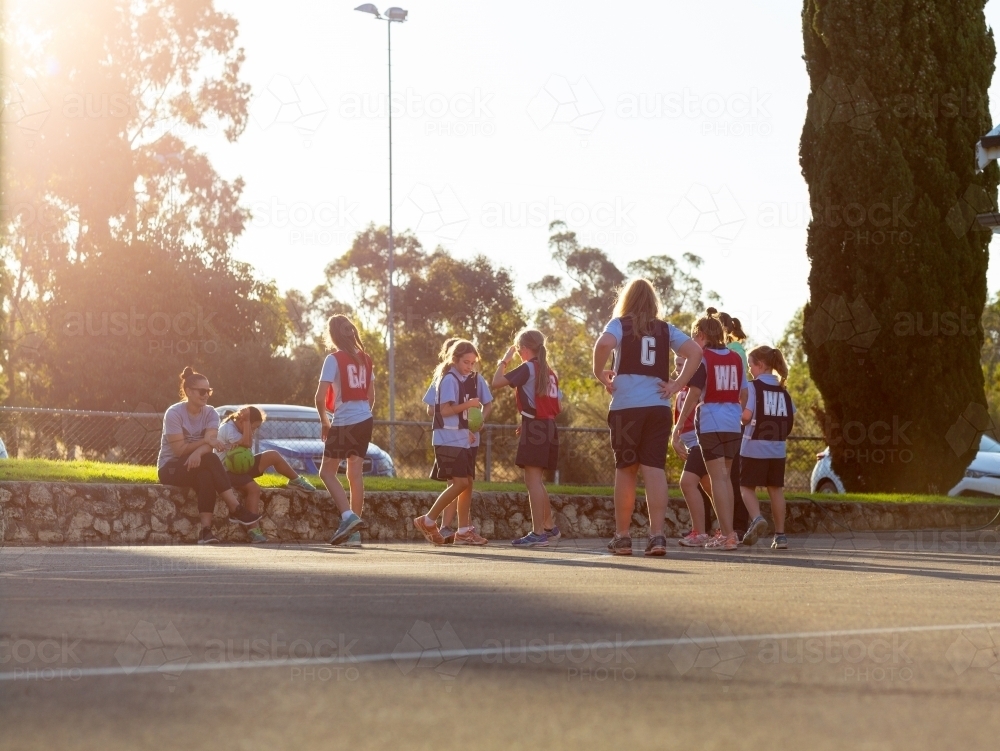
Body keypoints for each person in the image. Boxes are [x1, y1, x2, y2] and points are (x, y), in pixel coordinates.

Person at [592, 278, 703, 556]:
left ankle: (623, 536)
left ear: (626, 300)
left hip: (626, 408)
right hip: (657, 407)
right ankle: (657, 536)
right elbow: (695, 352)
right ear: (654, 302)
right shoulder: (665, 329)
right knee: (654, 470)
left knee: (626, 470)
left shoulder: (619, 324)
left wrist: (599, 373)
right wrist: (677, 385)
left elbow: (603, 344)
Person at [157, 366, 262, 545]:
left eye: (209, 391)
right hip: (171, 468)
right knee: (211, 459)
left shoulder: (211, 412)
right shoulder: (174, 413)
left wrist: (199, 451)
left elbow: (210, 441)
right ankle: (235, 508)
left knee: (206, 476)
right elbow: (180, 451)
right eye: (202, 391)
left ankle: (205, 532)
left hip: (198, 463)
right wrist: (204, 445)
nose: (206, 395)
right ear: (188, 391)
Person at [672, 311, 748, 551]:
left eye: (695, 336)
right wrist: (738, 412)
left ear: (702, 335)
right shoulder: (736, 357)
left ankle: (727, 535)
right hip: (732, 423)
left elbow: (694, 394)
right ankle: (730, 534)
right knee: (725, 479)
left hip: (711, 422)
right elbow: (744, 392)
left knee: (718, 480)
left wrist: (677, 426)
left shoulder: (703, 358)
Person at [413, 340, 489, 546]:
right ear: (454, 359)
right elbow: (443, 410)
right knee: (461, 483)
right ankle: (428, 520)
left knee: (467, 483)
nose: (470, 366)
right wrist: (470, 404)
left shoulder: (466, 378)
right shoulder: (448, 379)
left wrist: (470, 427)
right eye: (466, 362)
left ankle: (464, 531)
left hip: (461, 438)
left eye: (473, 363)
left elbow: (463, 412)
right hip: (448, 438)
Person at [492, 329, 562, 547]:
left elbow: (496, 382)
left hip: (536, 427)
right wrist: (527, 419)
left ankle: (538, 532)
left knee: (532, 481)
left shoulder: (528, 367)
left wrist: (504, 361)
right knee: (537, 481)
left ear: (523, 348)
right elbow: (546, 403)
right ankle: (549, 527)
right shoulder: (550, 371)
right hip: (548, 426)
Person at [214, 405, 316, 543]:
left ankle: (295, 480)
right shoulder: (228, 428)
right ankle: (253, 530)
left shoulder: (242, 428)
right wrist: (247, 421)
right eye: (253, 427)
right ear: (242, 421)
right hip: (227, 471)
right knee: (254, 488)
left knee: (273, 455)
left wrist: (247, 424)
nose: (254, 431)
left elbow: (246, 447)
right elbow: (247, 444)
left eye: (255, 428)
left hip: (242, 466)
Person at [314, 315, 375, 547]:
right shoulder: (366, 360)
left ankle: (348, 517)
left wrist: (324, 421)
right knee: (355, 474)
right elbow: (371, 396)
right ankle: (354, 534)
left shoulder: (333, 359)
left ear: (333, 335)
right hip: (365, 419)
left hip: (344, 421)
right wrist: (362, 416)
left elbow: (319, 397)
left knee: (326, 472)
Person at [738, 346, 795, 550]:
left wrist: (736, 411)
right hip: (778, 449)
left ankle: (757, 518)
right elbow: (790, 418)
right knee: (776, 490)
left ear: (760, 365)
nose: (750, 370)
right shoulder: (783, 390)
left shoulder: (753, 388)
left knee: (746, 487)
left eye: (751, 365)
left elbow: (746, 415)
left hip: (753, 446)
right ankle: (780, 536)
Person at [708, 307, 751, 539]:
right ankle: (730, 527)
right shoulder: (735, 352)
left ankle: (732, 528)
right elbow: (743, 390)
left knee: (726, 476)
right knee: (727, 476)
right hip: (731, 418)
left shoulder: (730, 352)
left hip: (719, 419)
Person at [671, 356, 715, 547]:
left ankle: (700, 533)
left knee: (687, 483)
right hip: (689, 442)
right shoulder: (679, 388)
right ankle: (727, 530)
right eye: (677, 365)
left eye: (682, 364)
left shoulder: (696, 387)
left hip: (701, 440)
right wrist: (677, 436)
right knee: (708, 485)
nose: (678, 368)